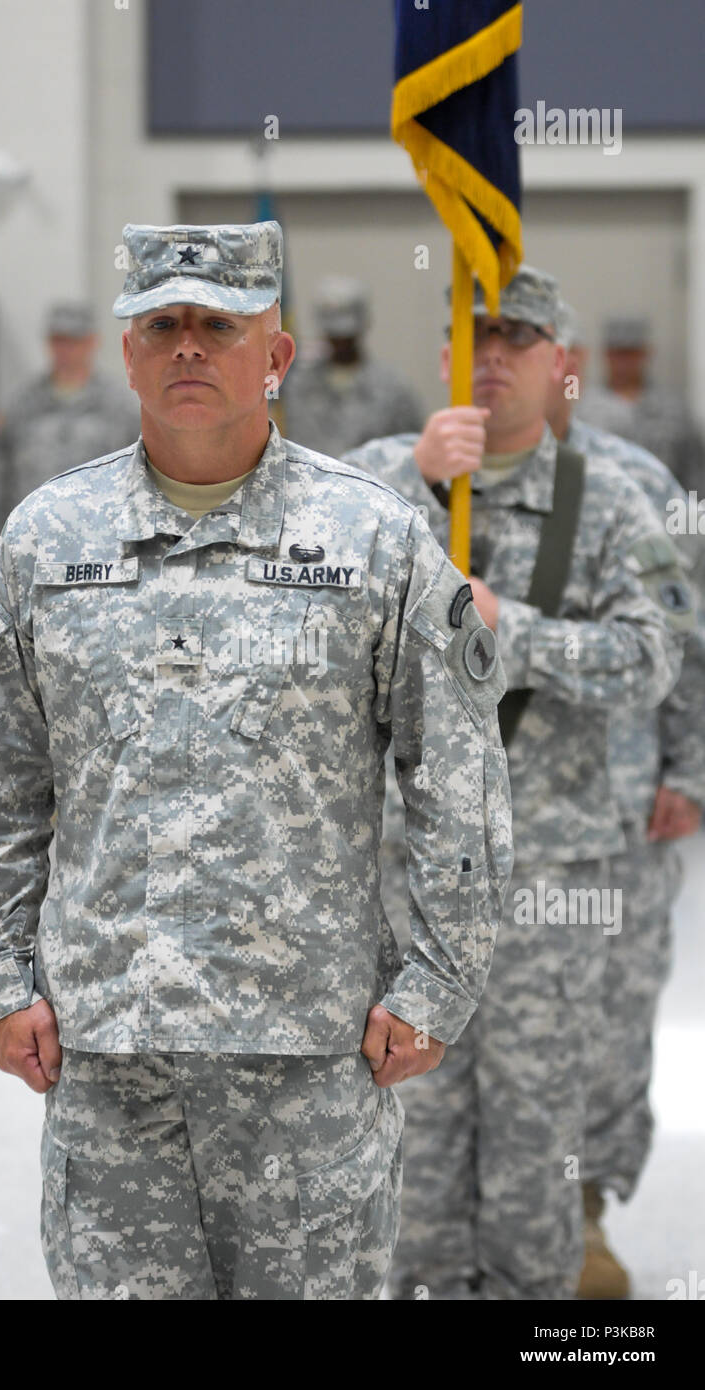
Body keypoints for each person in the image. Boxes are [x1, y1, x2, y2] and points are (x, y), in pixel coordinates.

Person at [0, 220, 514, 1301]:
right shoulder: (45, 542)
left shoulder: (371, 537)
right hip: (110, 1058)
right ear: (127, 353)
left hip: (311, 1057)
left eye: (219, 324)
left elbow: (456, 774)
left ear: (277, 354)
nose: (188, 347)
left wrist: (437, 982)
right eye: (162, 324)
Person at [345, 266, 691, 1300]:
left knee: (541, 1120)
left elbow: (653, 656)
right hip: (412, 868)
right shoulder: (369, 483)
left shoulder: (612, 499)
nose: (491, 357)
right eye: (473, 336)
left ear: (558, 365)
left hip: (554, 871)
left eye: (518, 339)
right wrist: (415, 478)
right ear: (447, 351)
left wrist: (515, 631)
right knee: (417, 1111)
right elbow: (305, 615)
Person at [548, 301, 705, 1298]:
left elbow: (683, 634)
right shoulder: (427, 481)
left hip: (612, 799)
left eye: (526, 345)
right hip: (478, 815)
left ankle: (581, 1213)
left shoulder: (636, 477)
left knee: (604, 1019)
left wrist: (684, 768)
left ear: (563, 361)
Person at [0, 301, 140, 512]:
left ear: (92, 342)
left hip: (96, 529)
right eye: (58, 341)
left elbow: (136, 471)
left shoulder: (119, 404)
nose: (65, 350)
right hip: (32, 528)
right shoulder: (22, 402)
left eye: (74, 341)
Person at [281, 275, 424, 457]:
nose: (340, 342)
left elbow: (413, 452)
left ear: (363, 326)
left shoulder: (393, 390)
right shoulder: (296, 386)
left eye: (347, 335)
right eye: (334, 334)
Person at [578, 316, 705, 497]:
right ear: (606, 354)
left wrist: (693, 521)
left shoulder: (674, 410)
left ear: (646, 353)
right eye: (617, 353)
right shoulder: (585, 409)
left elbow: (695, 473)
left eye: (631, 352)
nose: (624, 362)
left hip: (665, 514)